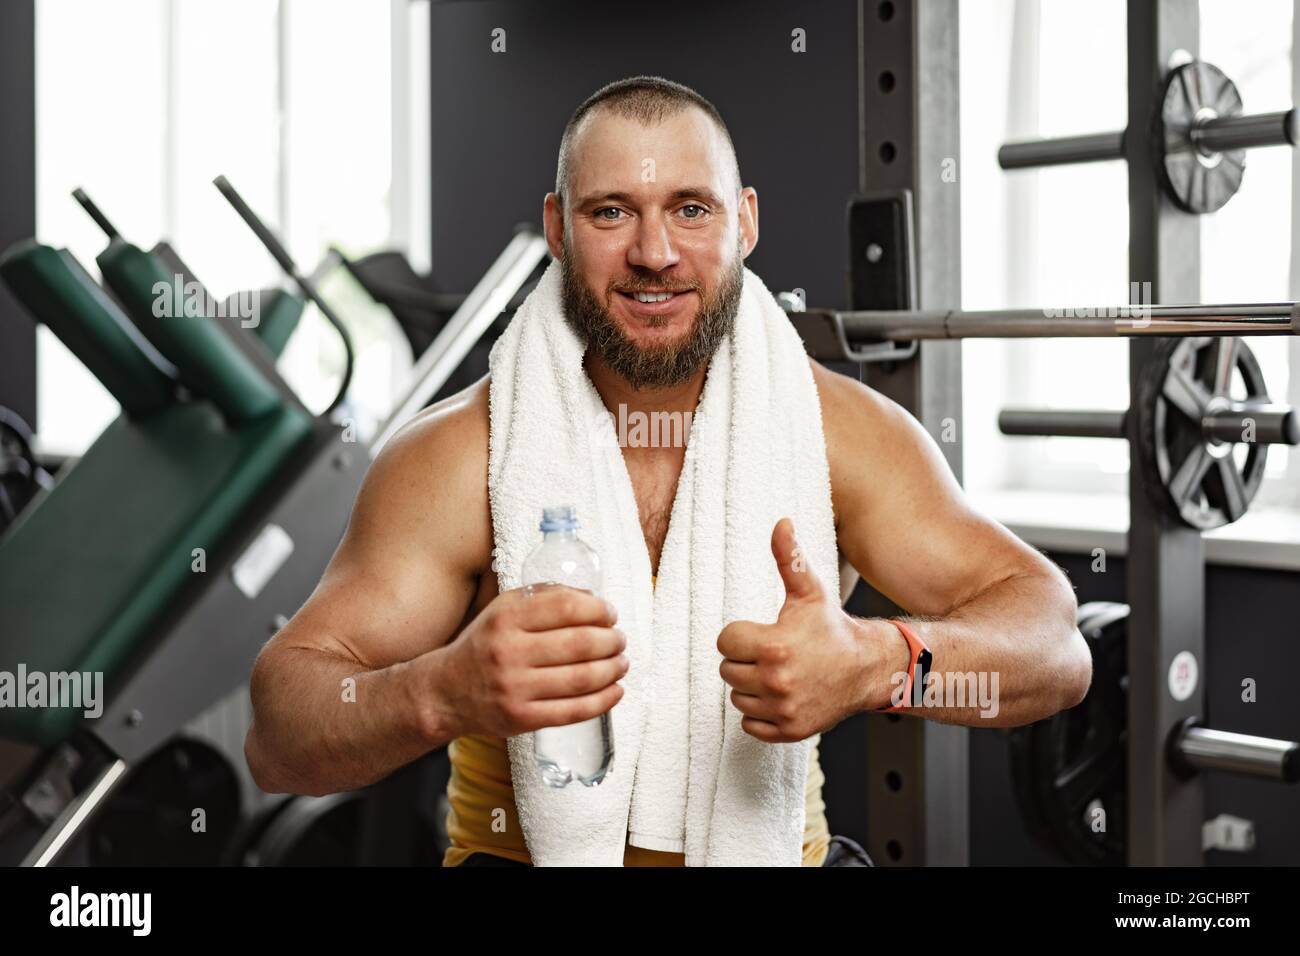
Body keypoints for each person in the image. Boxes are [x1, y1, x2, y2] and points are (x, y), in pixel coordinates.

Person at [244, 75, 1091, 867]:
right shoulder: (460, 455)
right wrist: (443, 691)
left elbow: (1055, 646)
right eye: (611, 212)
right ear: (557, 226)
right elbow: (278, 735)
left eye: (691, 209)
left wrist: (877, 662)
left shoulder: (840, 437)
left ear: (745, 221)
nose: (655, 253)